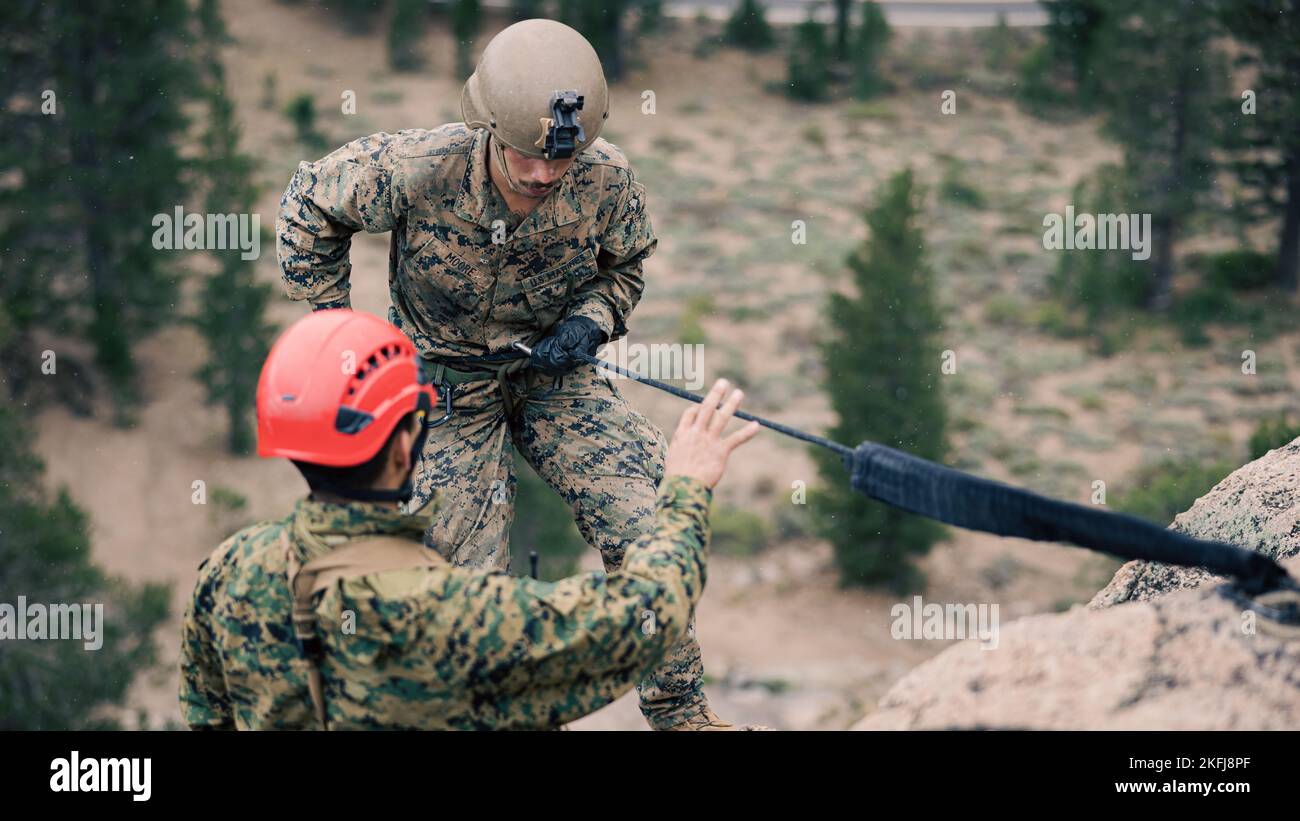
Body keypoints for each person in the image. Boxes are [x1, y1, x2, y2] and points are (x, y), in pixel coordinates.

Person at [275, 19, 734, 728]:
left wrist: (592, 319)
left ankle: (681, 713)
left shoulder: (606, 180)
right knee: (464, 588)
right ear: (487, 123)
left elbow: (626, 266)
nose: (544, 175)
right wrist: (334, 327)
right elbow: (308, 205)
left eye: (559, 161)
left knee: (645, 524)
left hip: (555, 374)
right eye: (526, 157)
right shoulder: (421, 167)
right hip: (445, 385)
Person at [179, 309, 759, 730]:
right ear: (407, 443)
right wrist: (686, 488)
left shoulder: (227, 573)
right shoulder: (448, 611)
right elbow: (641, 618)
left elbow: (207, 717)